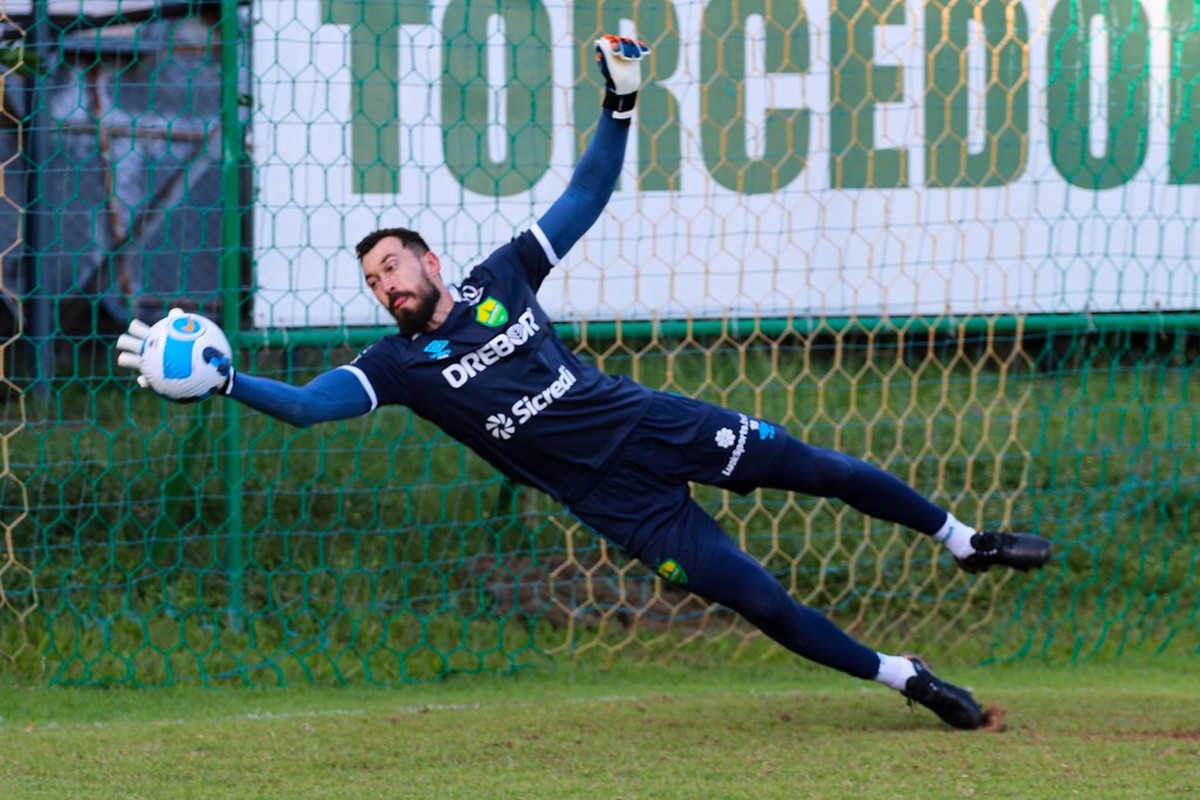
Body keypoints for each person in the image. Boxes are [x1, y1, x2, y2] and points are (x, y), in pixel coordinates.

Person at [117, 35, 1050, 730]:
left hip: (651, 423)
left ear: (431, 261)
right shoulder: (394, 366)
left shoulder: (500, 277)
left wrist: (621, 107)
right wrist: (227, 380)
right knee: (760, 601)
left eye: (394, 266)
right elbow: (313, 410)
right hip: (619, 502)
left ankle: (963, 540)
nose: (385, 285)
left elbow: (584, 197)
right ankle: (907, 678)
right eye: (371, 281)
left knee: (826, 469)